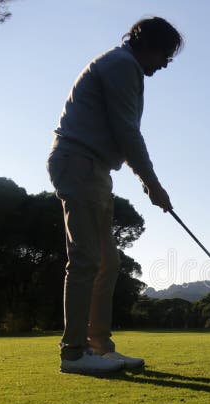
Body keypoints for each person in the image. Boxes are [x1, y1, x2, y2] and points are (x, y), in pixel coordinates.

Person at [47, 17, 181, 375]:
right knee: (87, 260)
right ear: (148, 45)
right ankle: (74, 353)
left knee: (108, 262)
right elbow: (127, 131)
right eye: (165, 54)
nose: (166, 62)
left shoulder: (124, 66)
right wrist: (151, 183)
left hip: (95, 168)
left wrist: (146, 180)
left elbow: (124, 131)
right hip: (79, 162)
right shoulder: (122, 65)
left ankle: (99, 347)